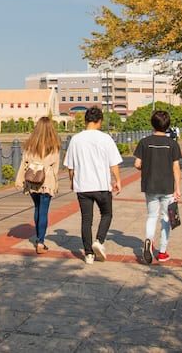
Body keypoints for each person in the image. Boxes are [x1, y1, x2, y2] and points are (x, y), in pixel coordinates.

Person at [63, 106, 122, 264]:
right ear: (99, 121)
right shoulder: (106, 138)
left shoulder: (75, 139)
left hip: (83, 186)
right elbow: (113, 163)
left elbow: (70, 166)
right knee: (107, 214)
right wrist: (118, 180)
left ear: (86, 120)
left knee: (86, 220)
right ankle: (99, 240)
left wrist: (72, 180)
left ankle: (88, 254)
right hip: (102, 185)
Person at [134, 110, 182, 264]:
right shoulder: (172, 144)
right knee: (166, 218)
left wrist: (147, 167)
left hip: (150, 185)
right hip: (167, 186)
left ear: (152, 124)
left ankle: (149, 240)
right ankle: (162, 252)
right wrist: (178, 188)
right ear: (167, 125)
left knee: (152, 216)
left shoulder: (144, 142)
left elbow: (137, 164)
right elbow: (176, 167)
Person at [14, 117, 62, 254]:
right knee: (44, 211)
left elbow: (24, 163)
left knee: (37, 208)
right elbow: (56, 168)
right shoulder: (54, 146)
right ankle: (41, 242)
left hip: (32, 181)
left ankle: (38, 239)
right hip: (46, 182)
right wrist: (56, 183)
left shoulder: (30, 145)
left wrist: (19, 180)